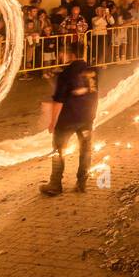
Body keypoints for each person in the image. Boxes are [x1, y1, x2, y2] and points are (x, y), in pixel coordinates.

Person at [40, 60, 99, 196]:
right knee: (86, 150)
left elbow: (59, 101)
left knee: (59, 151)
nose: (61, 55)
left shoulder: (66, 73)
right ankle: (81, 183)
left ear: (71, 55)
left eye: (64, 52)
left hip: (67, 121)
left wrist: (53, 122)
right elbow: (93, 93)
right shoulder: (93, 71)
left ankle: (55, 185)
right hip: (86, 119)